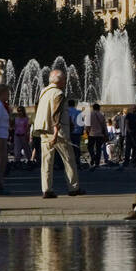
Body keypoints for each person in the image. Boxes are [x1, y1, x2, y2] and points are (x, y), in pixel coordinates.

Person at [34, 69, 84, 198]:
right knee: (69, 159)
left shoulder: (43, 92)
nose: (66, 82)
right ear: (60, 81)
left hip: (43, 129)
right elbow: (56, 113)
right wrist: (56, 132)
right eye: (65, 80)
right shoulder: (58, 93)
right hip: (58, 132)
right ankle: (73, 188)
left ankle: (46, 189)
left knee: (46, 161)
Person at [86, 102, 106, 169]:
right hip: (100, 134)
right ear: (99, 108)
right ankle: (97, 163)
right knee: (98, 149)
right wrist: (106, 134)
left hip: (91, 134)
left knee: (90, 147)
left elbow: (87, 126)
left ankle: (93, 156)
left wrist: (87, 131)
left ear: (93, 108)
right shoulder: (102, 115)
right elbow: (104, 126)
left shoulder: (89, 115)